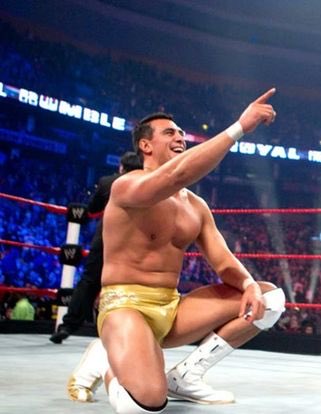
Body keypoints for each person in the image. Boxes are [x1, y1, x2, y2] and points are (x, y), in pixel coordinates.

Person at [67, 89, 285, 413]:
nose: (180, 137)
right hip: (125, 306)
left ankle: (185, 376)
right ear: (145, 145)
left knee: (269, 300)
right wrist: (239, 128)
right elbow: (177, 174)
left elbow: (223, 261)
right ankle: (106, 361)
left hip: (172, 308)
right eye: (169, 132)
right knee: (144, 404)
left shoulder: (196, 206)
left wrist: (249, 284)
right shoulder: (127, 187)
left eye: (181, 133)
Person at [50, 152, 142, 344]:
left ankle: (68, 326)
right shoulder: (146, 184)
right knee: (132, 284)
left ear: (121, 167)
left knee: (89, 281)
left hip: (106, 240)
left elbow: (93, 208)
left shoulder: (108, 182)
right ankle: (131, 331)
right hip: (136, 242)